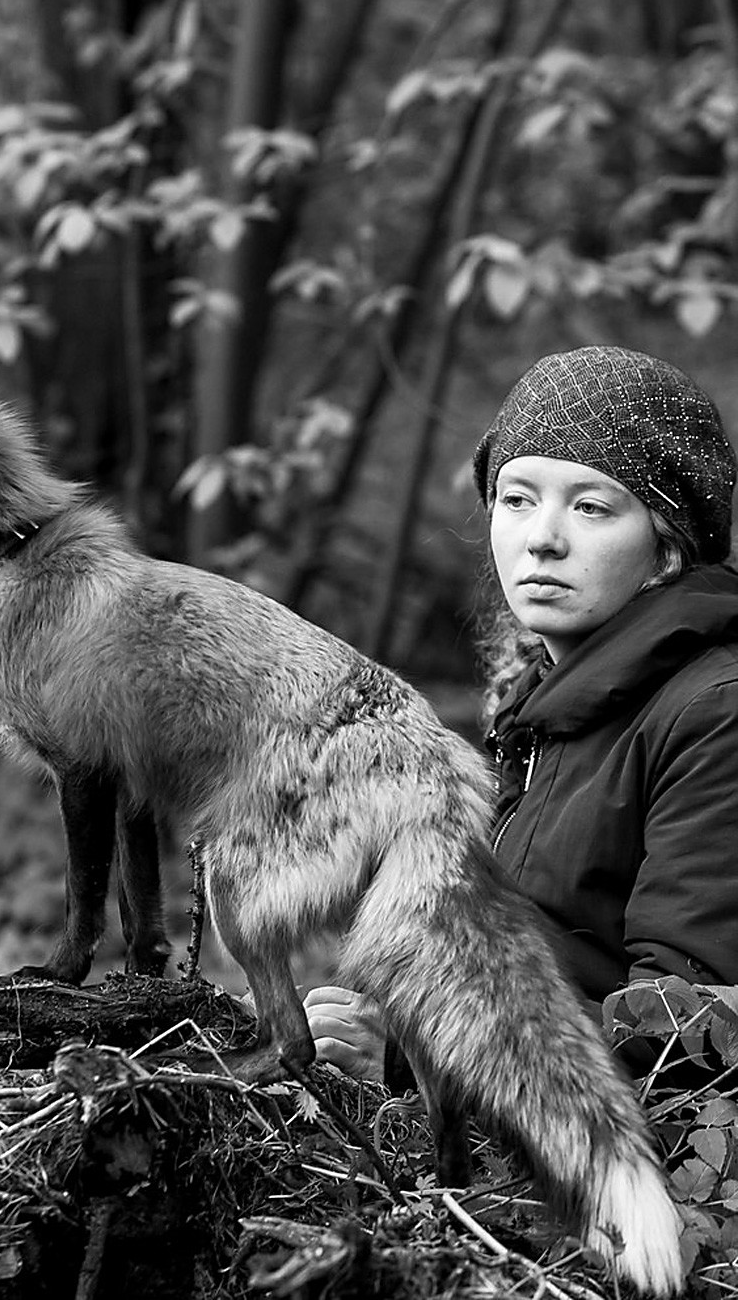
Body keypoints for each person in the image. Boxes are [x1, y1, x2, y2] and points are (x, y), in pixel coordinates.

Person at [305, 343, 738, 1083]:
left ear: (668, 550)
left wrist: (417, 1064)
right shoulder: (540, 708)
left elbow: (686, 1031)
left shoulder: (712, 713)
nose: (542, 536)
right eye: (517, 498)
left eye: (592, 506)